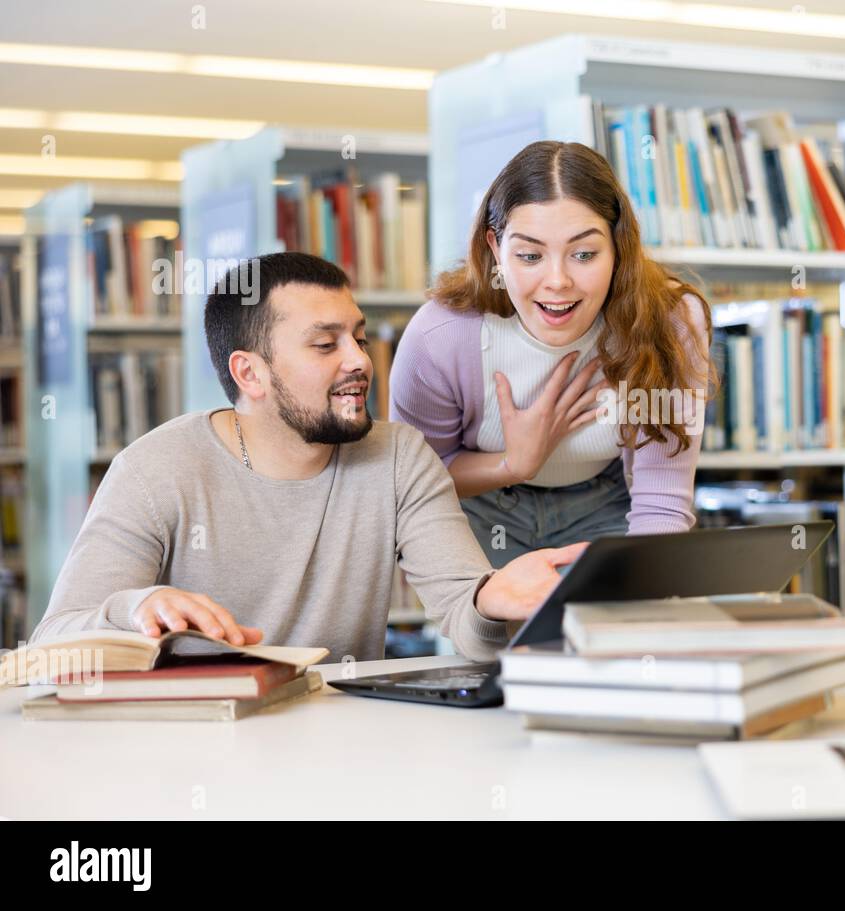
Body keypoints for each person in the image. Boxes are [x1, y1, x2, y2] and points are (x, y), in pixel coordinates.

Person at [31, 252, 583, 662]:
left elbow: (467, 620)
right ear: (250, 373)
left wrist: (492, 599)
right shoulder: (155, 471)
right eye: (326, 345)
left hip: (336, 753)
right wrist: (135, 608)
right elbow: (53, 643)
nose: (359, 361)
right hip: (191, 752)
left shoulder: (398, 458)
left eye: (359, 339)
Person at [389, 140, 714, 569]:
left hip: (605, 504)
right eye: (529, 255)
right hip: (480, 511)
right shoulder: (440, 336)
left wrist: (643, 606)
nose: (557, 281)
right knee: (499, 637)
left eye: (583, 254)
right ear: (495, 249)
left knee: (619, 629)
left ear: (618, 249)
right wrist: (512, 464)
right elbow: (412, 481)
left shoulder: (668, 323)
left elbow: (661, 500)